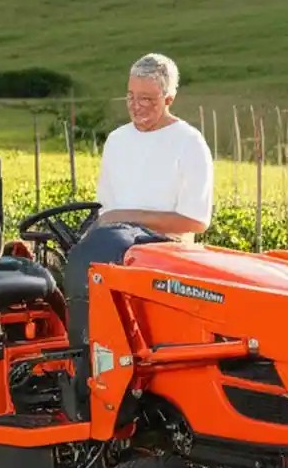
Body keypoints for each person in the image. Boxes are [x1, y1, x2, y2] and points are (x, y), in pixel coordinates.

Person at [62, 53, 214, 418]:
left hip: (165, 259)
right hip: (113, 254)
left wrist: (128, 216)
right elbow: (105, 210)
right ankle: (82, 390)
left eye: (146, 99)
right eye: (131, 96)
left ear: (168, 99)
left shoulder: (188, 143)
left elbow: (194, 221)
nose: (136, 106)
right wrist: (112, 221)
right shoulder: (117, 140)